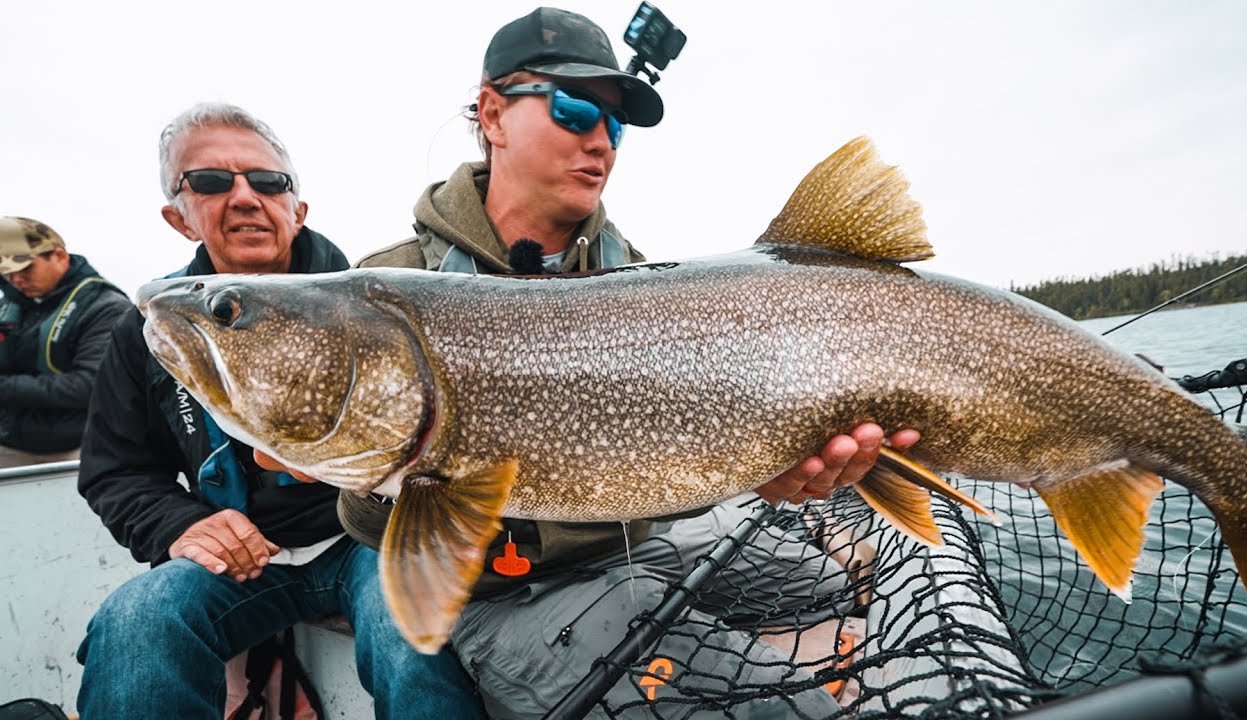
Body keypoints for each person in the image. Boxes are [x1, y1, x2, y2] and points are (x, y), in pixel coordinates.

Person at [329, 8, 920, 718]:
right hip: (516, 593)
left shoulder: (637, 278)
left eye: (614, 123)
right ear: (492, 114)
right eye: (575, 108)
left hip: (642, 544)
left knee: (833, 586)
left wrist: (775, 472)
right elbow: (371, 528)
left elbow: (676, 458)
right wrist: (369, 462)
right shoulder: (385, 291)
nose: (599, 141)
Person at [74, 102, 486, 719]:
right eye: (211, 182)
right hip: (244, 560)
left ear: (298, 210)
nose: (244, 197)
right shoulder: (154, 330)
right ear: (178, 216)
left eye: (269, 182)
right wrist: (179, 524)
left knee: (413, 636)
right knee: (135, 623)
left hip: (367, 537)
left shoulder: (376, 305)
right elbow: (114, 470)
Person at [0, 217, 130, 468]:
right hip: (10, 443)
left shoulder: (107, 308)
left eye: (25, 269)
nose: (16, 279)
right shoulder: (11, 305)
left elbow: (89, 386)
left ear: (59, 256)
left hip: (77, 448)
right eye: (7, 273)